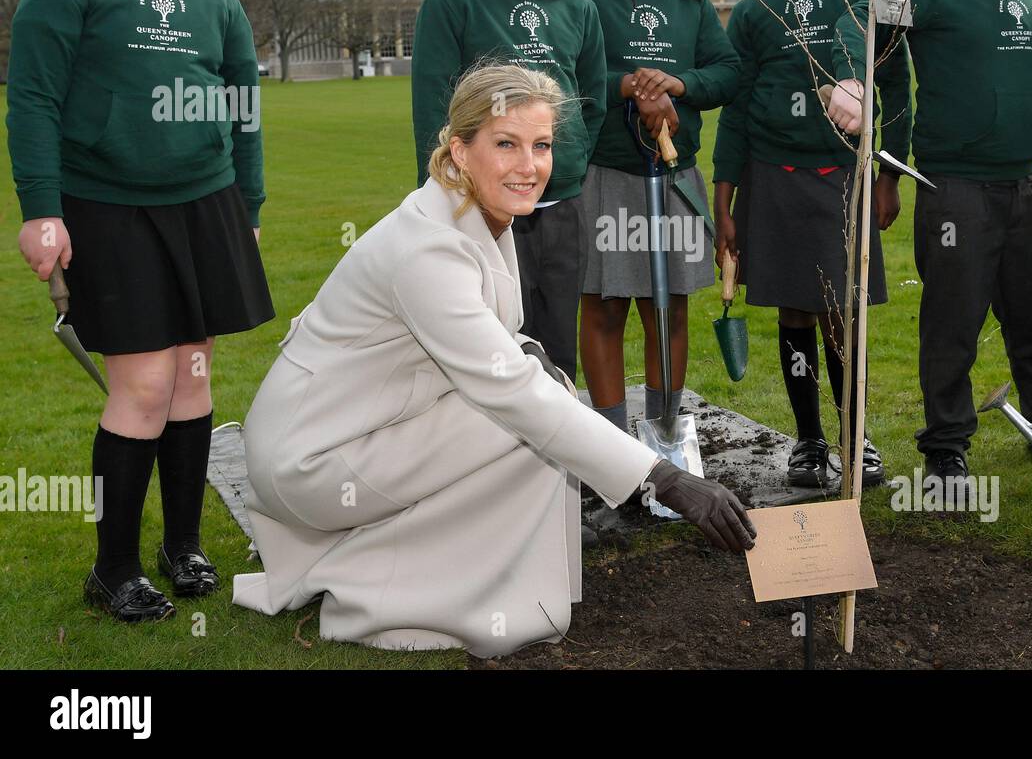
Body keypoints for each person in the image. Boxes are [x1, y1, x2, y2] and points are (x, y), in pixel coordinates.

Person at [231, 64, 754, 658]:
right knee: (533, 416)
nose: (528, 166)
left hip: (347, 433)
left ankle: (470, 580)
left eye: (541, 146)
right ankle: (386, 593)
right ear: (460, 149)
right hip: (309, 462)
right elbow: (512, 391)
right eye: (505, 144)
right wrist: (663, 478)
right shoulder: (426, 247)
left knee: (542, 398)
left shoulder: (473, 212)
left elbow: (499, 351)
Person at [5, 0, 273, 621]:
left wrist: (248, 209)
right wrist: (41, 210)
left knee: (193, 375)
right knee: (145, 384)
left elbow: (242, 107)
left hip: (206, 201)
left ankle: (181, 545)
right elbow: (33, 103)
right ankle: (112, 567)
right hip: (107, 205)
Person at [831, 0, 1032, 486]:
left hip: (1026, 184)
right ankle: (946, 446)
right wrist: (852, 80)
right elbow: (856, 20)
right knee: (954, 322)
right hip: (957, 190)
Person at [712, 0, 912, 489]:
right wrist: (725, 202)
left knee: (840, 315)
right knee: (794, 315)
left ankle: (856, 434)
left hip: (840, 181)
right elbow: (736, 114)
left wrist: (889, 172)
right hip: (773, 180)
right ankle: (808, 440)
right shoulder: (750, 12)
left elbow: (897, 77)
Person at [411, 0, 606, 383]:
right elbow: (433, 116)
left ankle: (560, 469)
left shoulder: (580, 6)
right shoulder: (451, 3)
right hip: (485, 216)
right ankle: (493, 469)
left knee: (558, 355)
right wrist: (452, 207)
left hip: (560, 209)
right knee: (493, 360)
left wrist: (565, 163)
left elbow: (590, 102)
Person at [572, 0, 740, 434]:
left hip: (673, 179)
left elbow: (726, 71)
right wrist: (629, 88)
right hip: (607, 177)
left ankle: (665, 435)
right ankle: (613, 440)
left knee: (666, 309)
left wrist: (677, 83)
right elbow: (568, 76)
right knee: (605, 307)